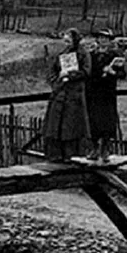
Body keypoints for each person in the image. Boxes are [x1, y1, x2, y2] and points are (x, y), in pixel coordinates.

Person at [42, 28, 92, 161]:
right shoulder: (62, 54)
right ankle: (56, 154)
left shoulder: (83, 54)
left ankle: (72, 154)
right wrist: (57, 80)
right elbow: (52, 71)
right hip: (60, 93)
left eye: (69, 40)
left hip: (74, 94)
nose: (66, 43)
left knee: (72, 126)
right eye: (65, 41)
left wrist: (71, 75)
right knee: (55, 124)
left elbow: (86, 72)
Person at [86, 29, 126, 162]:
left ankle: (105, 149)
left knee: (107, 120)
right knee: (93, 120)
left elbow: (123, 74)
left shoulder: (115, 56)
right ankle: (94, 148)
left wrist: (112, 72)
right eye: (101, 38)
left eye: (106, 38)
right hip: (93, 92)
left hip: (107, 93)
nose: (103, 41)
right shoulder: (91, 55)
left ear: (110, 41)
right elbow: (87, 72)